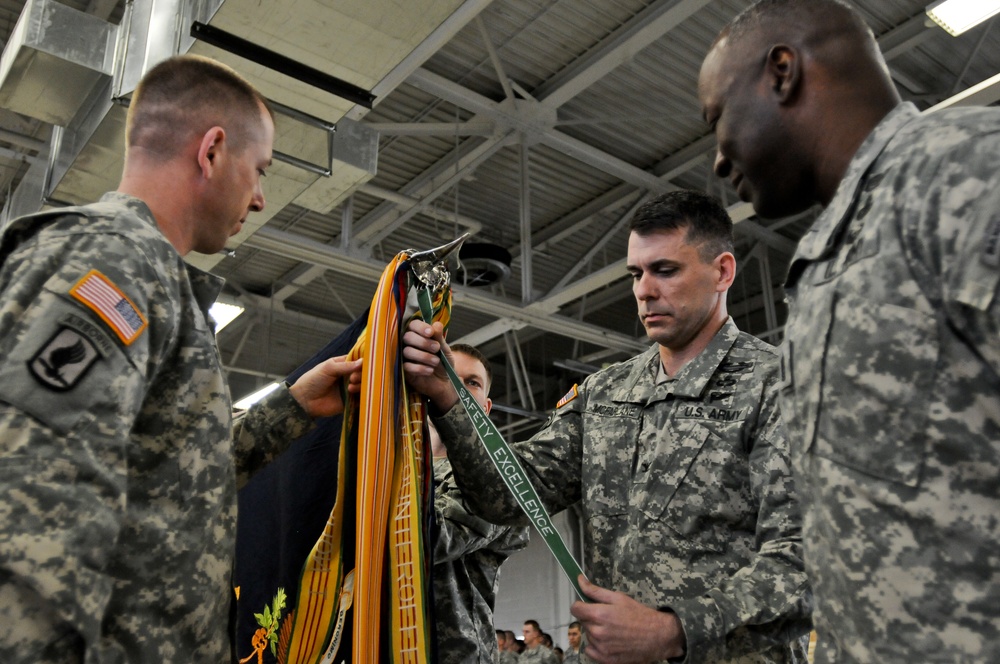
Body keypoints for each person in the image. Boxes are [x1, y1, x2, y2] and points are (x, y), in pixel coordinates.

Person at [0, 55, 361, 662]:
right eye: (259, 170)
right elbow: (30, 497)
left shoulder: (149, 278)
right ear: (213, 150)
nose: (260, 198)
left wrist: (294, 408)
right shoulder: (115, 262)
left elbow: (172, 466)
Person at [699, 1, 1000, 661]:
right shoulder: (835, 252)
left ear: (782, 72)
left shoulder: (967, 174)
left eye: (716, 118)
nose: (718, 162)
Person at [403, 190, 811, 663]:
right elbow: (506, 496)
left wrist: (674, 629)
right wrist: (449, 399)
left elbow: (806, 562)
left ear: (722, 271)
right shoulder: (606, 392)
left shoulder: (778, 386)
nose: (644, 290)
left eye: (666, 270)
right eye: (636, 274)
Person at [431, 343, 530, 664]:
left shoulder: (498, 474)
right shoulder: (393, 468)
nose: (456, 388)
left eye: (471, 382)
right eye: (446, 376)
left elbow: (433, 539)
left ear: (485, 406)